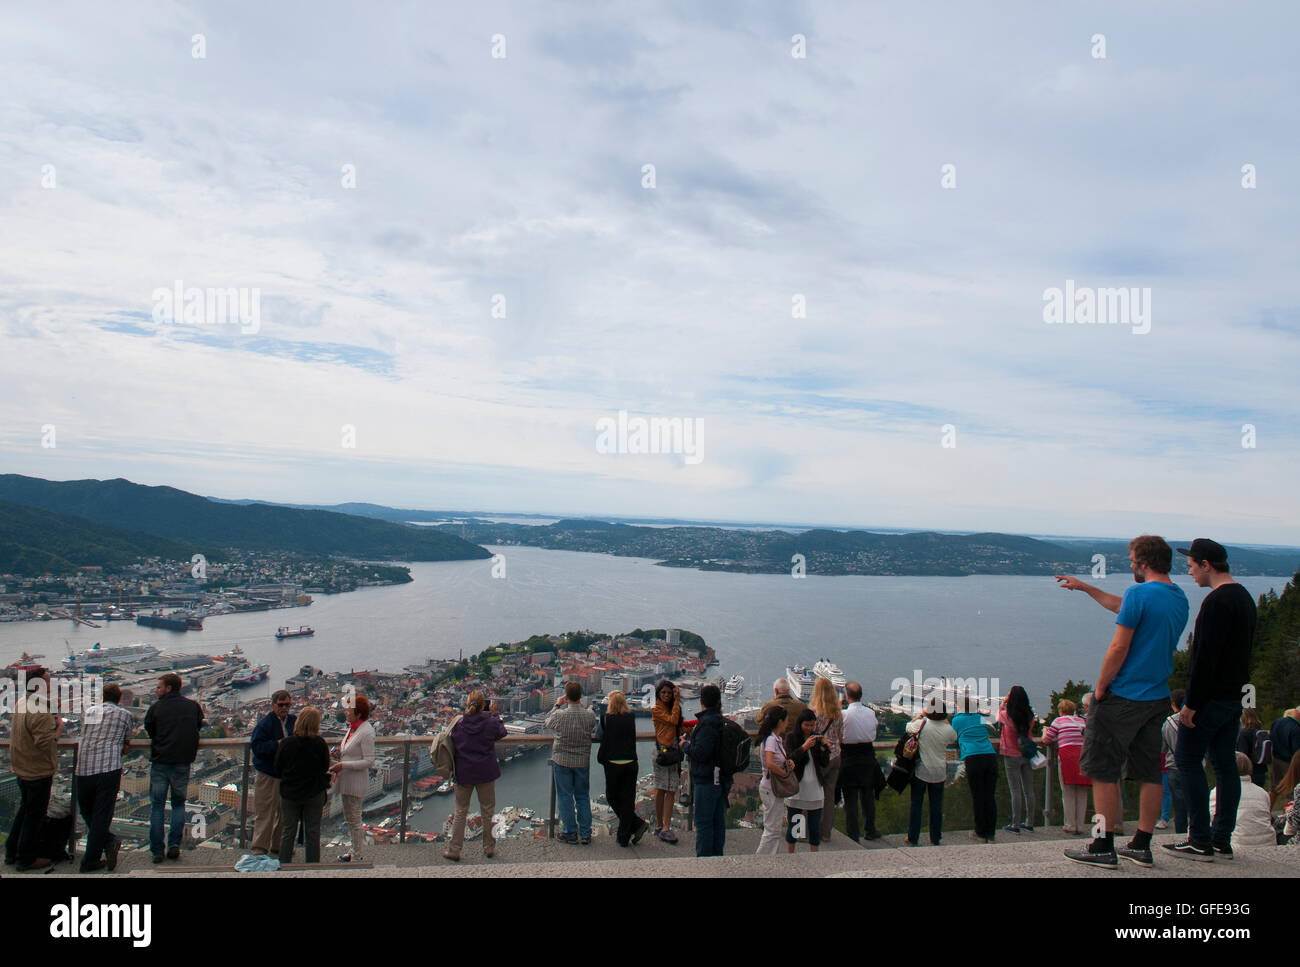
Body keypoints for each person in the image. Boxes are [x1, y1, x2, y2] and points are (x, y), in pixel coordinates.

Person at [1056, 534, 1190, 870]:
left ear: (1143, 563)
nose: (1130, 565)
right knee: (1149, 772)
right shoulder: (1177, 597)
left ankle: (1102, 844)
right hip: (1157, 697)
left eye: (1131, 561)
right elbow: (1122, 606)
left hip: (1122, 696)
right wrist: (1085, 588)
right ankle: (1141, 845)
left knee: (1102, 770)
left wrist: (1100, 689)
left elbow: (1119, 647)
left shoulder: (1139, 593)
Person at [1166, 539, 1255, 862]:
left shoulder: (1217, 602)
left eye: (1191, 565)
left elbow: (1205, 658)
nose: (1188, 570)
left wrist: (1192, 703)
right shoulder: (1244, 597)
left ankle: (1199, 839)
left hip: (1209, 699)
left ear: (1206, 565)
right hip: (1233, 698)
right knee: (1224, 765)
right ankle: (1221, 839)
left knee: (1188, 761)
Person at [5, 667, 61, 872]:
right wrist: (58, 729)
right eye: (47, 681)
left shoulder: (21, 702)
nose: (49, 685)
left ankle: (11, 851)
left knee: (24, 811)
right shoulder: (38, 708)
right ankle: (25, 859)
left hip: (22, 768)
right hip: (37, 771)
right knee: (33, 816)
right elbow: (45, 743)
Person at [144, 672, 204, 863]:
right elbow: (198, 725)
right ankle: (174, 844)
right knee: (178, 804)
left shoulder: (156, 708)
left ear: (168, 688)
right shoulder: (192, 706)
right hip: (182, 762)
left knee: (157, 807)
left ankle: (156, 851)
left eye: (159, 687)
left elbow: (150, 730)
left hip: (161, 762)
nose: (156, 690)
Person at [74, 682, 134, 872]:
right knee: (102, 815)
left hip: (84, 767)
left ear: (102, 697)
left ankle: (105, 844)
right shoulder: (125, 715)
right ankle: (93, 857)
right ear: (118, 699)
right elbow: (126, 744)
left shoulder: (89, 712)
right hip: (108, 769)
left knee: (86, 811)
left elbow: (83, 734)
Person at [443, 690, 507, 860]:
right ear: (483, 706)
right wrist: (495, 714)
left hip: (464, 772)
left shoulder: (458, 724)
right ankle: (489, 847)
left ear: (467, 704)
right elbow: (502, 732)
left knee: (461, 811)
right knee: (488, 811)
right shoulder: (490, 722)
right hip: (486, 772)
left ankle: (454, 850)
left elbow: (452, 740)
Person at [274, 706, 330, 864]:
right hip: (313, 793)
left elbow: (277, 768)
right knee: (312, 832)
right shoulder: (320, 744)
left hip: (290, 793)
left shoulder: (286, 743)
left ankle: (284, 867)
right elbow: (324, 767)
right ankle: (312, 868)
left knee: (288, 831)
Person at [544, 681, 596, 844]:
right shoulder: (589, 715)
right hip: (582, 761)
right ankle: (586, 833)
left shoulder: (560, 715)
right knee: (582, 796)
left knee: (565, 797)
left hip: (562, 760)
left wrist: (556, 705)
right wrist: (581, 705)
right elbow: (592, 725)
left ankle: (570, 832)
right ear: (580, 696)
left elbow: (547, 722)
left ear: (566, 697)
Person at [597, 690, 650, 848]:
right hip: (631, 763)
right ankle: (624, 835)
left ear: (611, 704)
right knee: (628, 800)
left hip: (613, 763)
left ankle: (636, 826)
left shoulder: (606, 718)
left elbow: (599, 735)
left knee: (612, 797)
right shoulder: (631, 717)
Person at [684, 683, 731, 857]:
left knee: (703, 824)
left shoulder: (707, 724)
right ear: (719, 701)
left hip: (706, 779)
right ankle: (717, 860)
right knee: (718, 823)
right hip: (721, 778)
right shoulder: (721, 721)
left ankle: (704, 864)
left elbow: (700, 753)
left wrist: (685, 745)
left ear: (701, 701)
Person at [249, 690, 296, 856]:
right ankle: (260, 847)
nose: (284, 708)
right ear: (273, 705)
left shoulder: (293, 721)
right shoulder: (265, 724)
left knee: (286, 813)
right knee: (265, 813)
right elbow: (257, 748)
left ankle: (280, 845)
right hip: (268, 774)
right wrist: (277, 744)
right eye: (281, 705)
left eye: (287, 705)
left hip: (287, 774)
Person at [328, 693, 374, 862]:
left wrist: (344, 765)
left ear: (358, 713)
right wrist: (340, 753)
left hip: (355, 783)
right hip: (347, 781)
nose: (346, 712)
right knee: (350, 818)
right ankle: (354, 850)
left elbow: (369, 761)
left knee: (354, 819)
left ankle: (357, 854)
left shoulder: (366, 732)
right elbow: (351, 751)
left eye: (349, 710)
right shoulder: (353, 728)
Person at [905, 708, 957, 846]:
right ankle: (935, 837)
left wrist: (921, 715)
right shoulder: (947, 729)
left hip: (921, 770)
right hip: (939, 771)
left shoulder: (921, 724)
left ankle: (912, 837)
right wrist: (945, 721)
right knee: (936, 806)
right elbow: (954, 737)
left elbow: (908, 727)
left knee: (916, 805)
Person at [1038, 698, 1090, 834]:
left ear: (1060, 711)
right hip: (1083, 757)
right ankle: (1080, 825)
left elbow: (1047, 739)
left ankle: (1070, 824)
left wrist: (1045, 731)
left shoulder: (1058, 721)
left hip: (1067, 757)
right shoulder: (1081, 721)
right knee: (1082, 792)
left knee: (1068, 791)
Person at [951, 693, 997, 842]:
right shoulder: (980, 717)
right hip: (990, 755)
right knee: (989, 795)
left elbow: (953, 737)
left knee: (978, 795)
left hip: (973, 756)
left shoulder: (957, 720)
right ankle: (991, 833)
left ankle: (980, 831)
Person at [840, 681, 881, 842]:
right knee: (867, 796)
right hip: (867, 755)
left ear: (847, 696)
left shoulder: (844, 714)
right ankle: (870, 829)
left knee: (850, 799)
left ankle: (853, 834)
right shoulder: (870, 713)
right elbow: (874, 731)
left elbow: (839, 734)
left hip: (849, 756)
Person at [783, 708, 829, 852]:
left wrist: (825, 746)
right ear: (800, 724)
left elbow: (824, 763)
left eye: (812, 725)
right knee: (795, 826)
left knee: (814, 828)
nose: (809, 728)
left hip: (815, 787)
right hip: (798, 788)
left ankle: (814, 855)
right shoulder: (792, 737)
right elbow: (790, 759)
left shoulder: (817, 738)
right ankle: (791, 854)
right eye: (806, 725)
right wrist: (804, 747)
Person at [1208, 753, 1273, 849]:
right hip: (1268, 842)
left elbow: (1211, 819)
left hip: (1238, 843)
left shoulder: (1218, 791)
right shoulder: (1262, 792)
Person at [997, 685, 1039, 833]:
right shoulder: (1030, 715)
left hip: (1010, 754)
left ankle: (1015, 823)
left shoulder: (1006, 715)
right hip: (1026, 754)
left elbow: (998, 715)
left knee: (1015, 790)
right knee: (1029, 790)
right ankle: (1030, 822)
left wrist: (1004, 701)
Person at [809, 676, 844, 843]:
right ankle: (826, 833)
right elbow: (840, 736)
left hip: (820, 758)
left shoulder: (815, 713)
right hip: (835, 755)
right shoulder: (838, 713)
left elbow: (810, 736)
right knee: (829, 796)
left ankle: (804, 832)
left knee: (809, 793)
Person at [755, 706, 794, 854]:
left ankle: (772, 858)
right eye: (786, 720)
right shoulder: (771, 740)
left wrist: (786, 763)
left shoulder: (775, 739)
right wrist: (784, 774)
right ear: (780, 721)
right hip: (771, 787)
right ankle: (761, 860)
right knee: (772, 828)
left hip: (771, 787)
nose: (787, 723)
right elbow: (770, 763)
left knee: (774, 827)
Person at [650, 679, 684, 843]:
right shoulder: (656, 709)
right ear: (658, 693)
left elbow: (679, 725)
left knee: (671, 789)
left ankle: (666, 826)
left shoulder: (673, 708)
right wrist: (677, 700)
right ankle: (659, 825)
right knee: (660, 789)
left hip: (673, 750)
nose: (666, 695)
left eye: (669, 693)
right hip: (662, 751)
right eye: (663, 692)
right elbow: (673, 721)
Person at [1159, 690, 1188, 836]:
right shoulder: (1197, 719)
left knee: (1178, 803)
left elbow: (1163, 748)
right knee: (1196, 799)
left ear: (1173, 704)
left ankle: (1181, 834)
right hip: (1195, 765)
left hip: (1174, 765)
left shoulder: (1168, 722)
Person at [1236, 708, 1270, 789]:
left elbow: (1242, 754)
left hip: (1249, 773)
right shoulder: (1260, 731)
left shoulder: (1243, 734)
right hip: (1261, 770)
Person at [1270, 708, 1300, 792]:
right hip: (1289, 763)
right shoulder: (1296, 728)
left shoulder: (1278, 721)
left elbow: (1271, 737)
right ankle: (1290, 805)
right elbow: (1297, 751)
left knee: (1274, 789)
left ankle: (1269, 805)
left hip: (1275, 758)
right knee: (1291, 790)